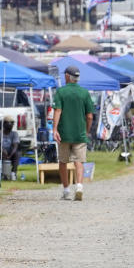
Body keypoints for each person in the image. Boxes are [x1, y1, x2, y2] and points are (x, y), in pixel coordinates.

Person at [51, 64, 95, 198]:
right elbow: (90, 116)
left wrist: (54, 129)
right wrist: (86, 131)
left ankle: (66, 191)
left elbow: (58, 111)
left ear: (66, 76)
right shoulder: (85, 93)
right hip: (80, 133)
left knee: (63, 162)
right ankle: (79, 187)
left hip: (64, 134)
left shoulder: (61, 92)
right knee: (79, 161)